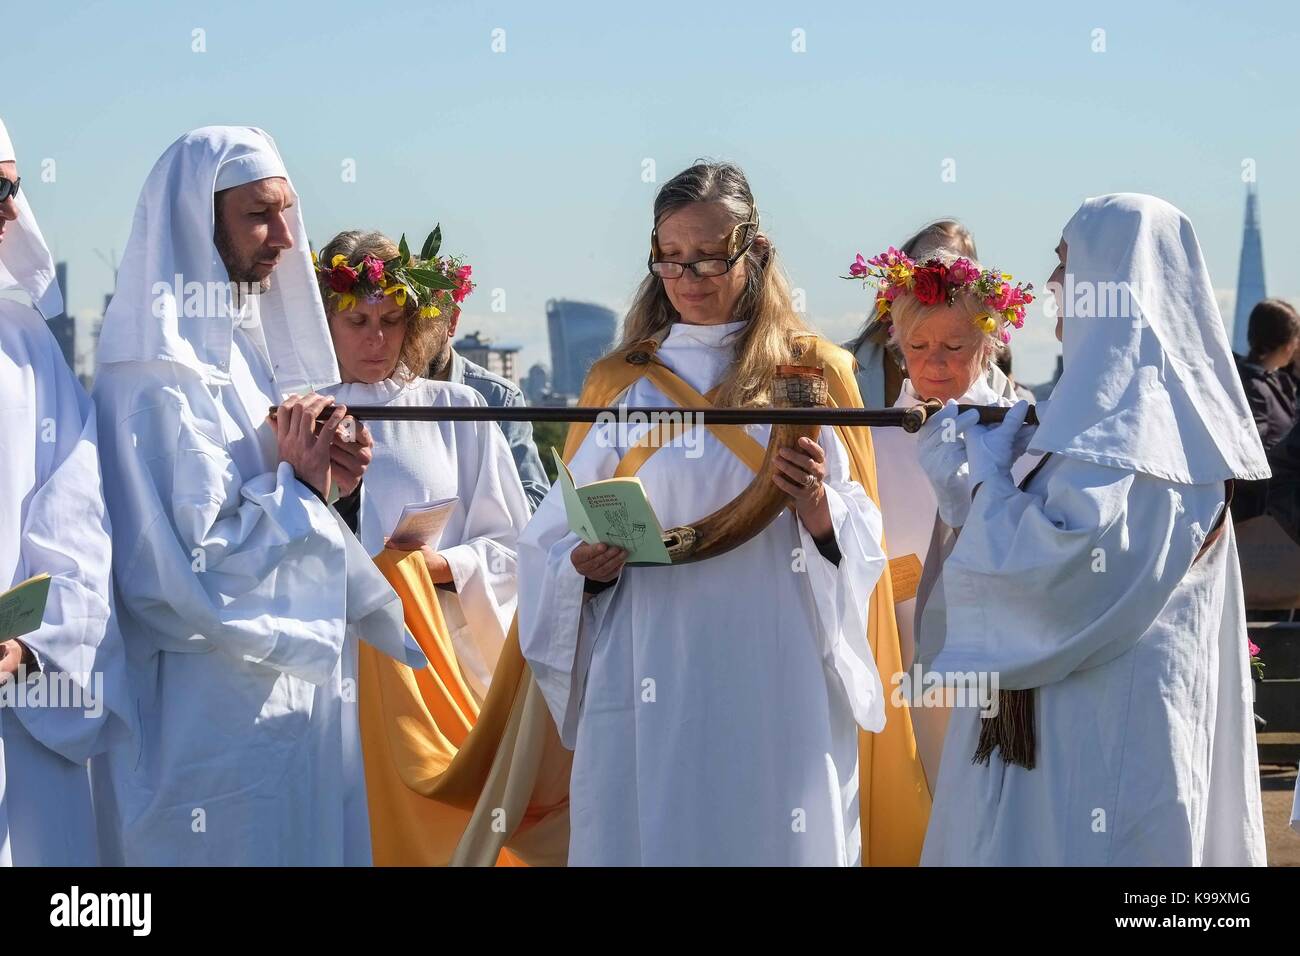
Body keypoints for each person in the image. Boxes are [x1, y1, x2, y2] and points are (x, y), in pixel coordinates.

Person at [517, 162, 889, 865]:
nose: (689, 277)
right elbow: (553, 535)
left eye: (711, 257)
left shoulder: (809, 373)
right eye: (672, 258)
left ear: (756, 252)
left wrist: (817, 509)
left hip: (777, 658)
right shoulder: (619, 382)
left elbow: (864, 531)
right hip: (651, 655)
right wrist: (585, 572)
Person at [91, 126, 421, 865]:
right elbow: (178, 575)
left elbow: (282, 499)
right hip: (203, 716)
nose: (284, 236)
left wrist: (336, 479)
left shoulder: (248, 355)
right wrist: (302, 486)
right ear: (195, 221)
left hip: (292, 706)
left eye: (287, 212)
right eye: (258, 215)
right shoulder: (153, 378)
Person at [917, 193, 1269, 865]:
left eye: (1064, 263)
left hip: (1099, 738)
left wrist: (987, 486)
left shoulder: (1133, 435)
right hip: (1082, 728)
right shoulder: (1122, 422)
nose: (1051, 283)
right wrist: (974, 496)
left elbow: (1053, 584)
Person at [316, 228, 530, 865]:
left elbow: (517, 547)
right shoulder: (297, 409)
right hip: (330, 668)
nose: (376, 340)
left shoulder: (455, 408)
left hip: (433, 664)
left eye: (391, 320)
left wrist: (442, 566)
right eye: (356, 320)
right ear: (323, 317)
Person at [849, 244, 1035, 795]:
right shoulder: (873, 438)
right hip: (896, 640)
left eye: (956, 346)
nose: (934, 363)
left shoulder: (1024, 432)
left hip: (997, 655)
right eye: (918, 346)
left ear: (989, 344)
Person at [0, 115, 129, 865]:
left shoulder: (27, 354)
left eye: (14, 188)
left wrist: (26, 647)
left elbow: (79, 534)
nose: (11, 210)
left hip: (16, 724)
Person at [846, 219, 1019, 408]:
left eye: (953, 267)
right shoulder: (845, 363)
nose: (938, 273)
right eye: (922, 264)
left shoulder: (995, 383)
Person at [424, 266, 548, 511]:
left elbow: (535, 499)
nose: (418, 340)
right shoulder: (383, 391)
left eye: (427, 325)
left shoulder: (499, 398)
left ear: (452, 321)